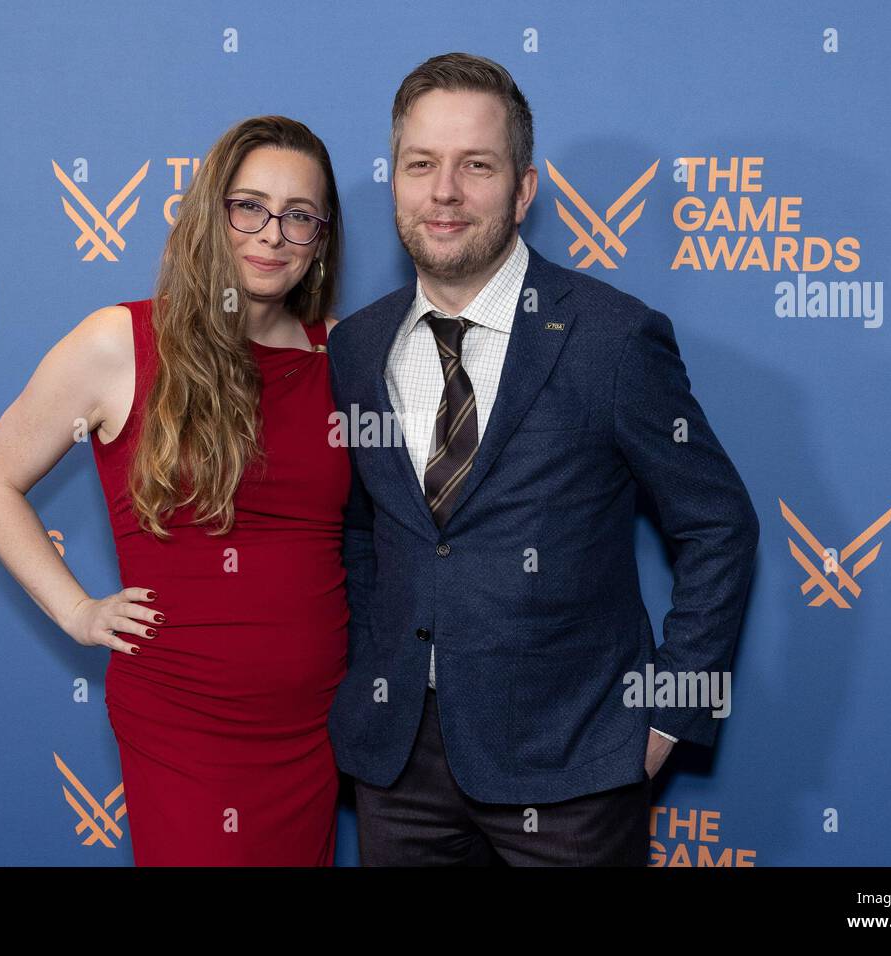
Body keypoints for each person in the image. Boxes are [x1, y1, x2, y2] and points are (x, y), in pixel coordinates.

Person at [325, 53, 760, 865]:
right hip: (397, 769)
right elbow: (365, 531)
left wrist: (665, 718)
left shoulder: (611, 338)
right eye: (421, 165)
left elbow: (719, 524)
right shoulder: (355, 347)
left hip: (574, 765)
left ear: (523, 189)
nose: (444, 191)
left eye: (475, 166)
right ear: (395, 183)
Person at [0, 116, 349, 865]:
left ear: (321, 237)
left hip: (315, 729)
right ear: (211, 212)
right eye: (250, 207)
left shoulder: (344, 354)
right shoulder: (122, 342)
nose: (272, 235)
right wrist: (78, 610)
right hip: (184, 724)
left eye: (299, 216)